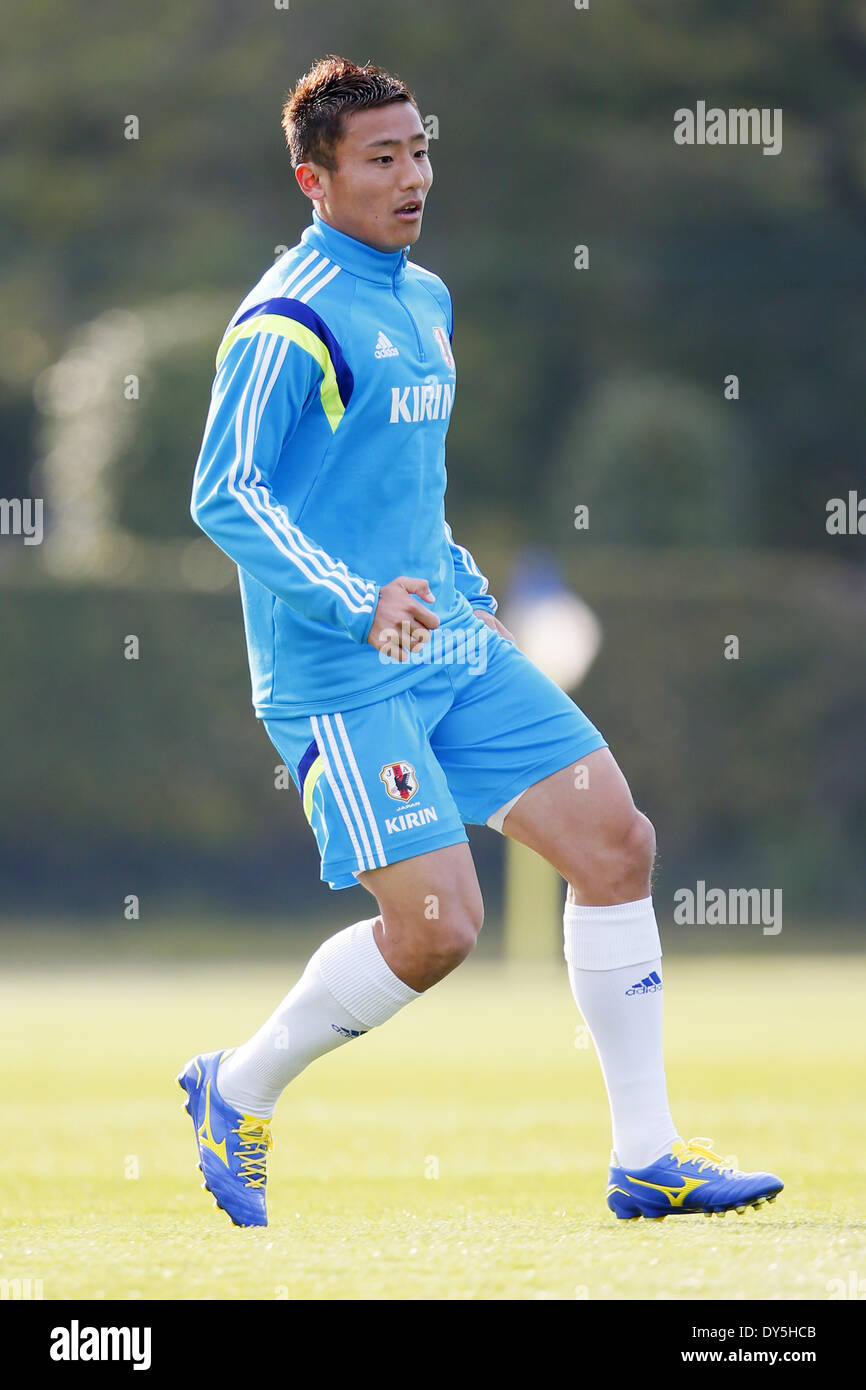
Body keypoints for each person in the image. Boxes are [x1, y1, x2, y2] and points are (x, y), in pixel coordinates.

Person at [179, 55, 782, 1227]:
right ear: (314, 179)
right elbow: (227, 493)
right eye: (381, 159)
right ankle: (235, 1087)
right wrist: (358, 601)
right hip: (341, 670)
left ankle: (647, 1154)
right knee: (439, 929)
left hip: (448, 643)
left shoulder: (424, 297)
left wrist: (455, 588)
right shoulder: (285, 320)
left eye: (418, 151)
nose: (412, 177)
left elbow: (404, 487)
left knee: (614, 843)